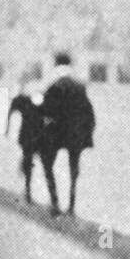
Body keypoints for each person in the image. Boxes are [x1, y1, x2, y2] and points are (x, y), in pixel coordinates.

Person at [37, 52, 95, 216]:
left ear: (56, 64)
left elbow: (45, 111)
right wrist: (87, 133)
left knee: (47, 164)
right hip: (75, 133)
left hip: (55, 133)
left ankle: (55, 203)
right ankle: (71, 206)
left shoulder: (53, 84)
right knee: (74, 169)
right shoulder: (79, 86)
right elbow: (89, 113)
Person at [5, 78, 42, 204]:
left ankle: (27, 186)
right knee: (29, 159)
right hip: (28, 134)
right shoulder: (21, 99)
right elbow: (10, 112)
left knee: (29, 159)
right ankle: (27, 191)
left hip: (36, 133)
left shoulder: (36, 97)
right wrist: (7, 128)